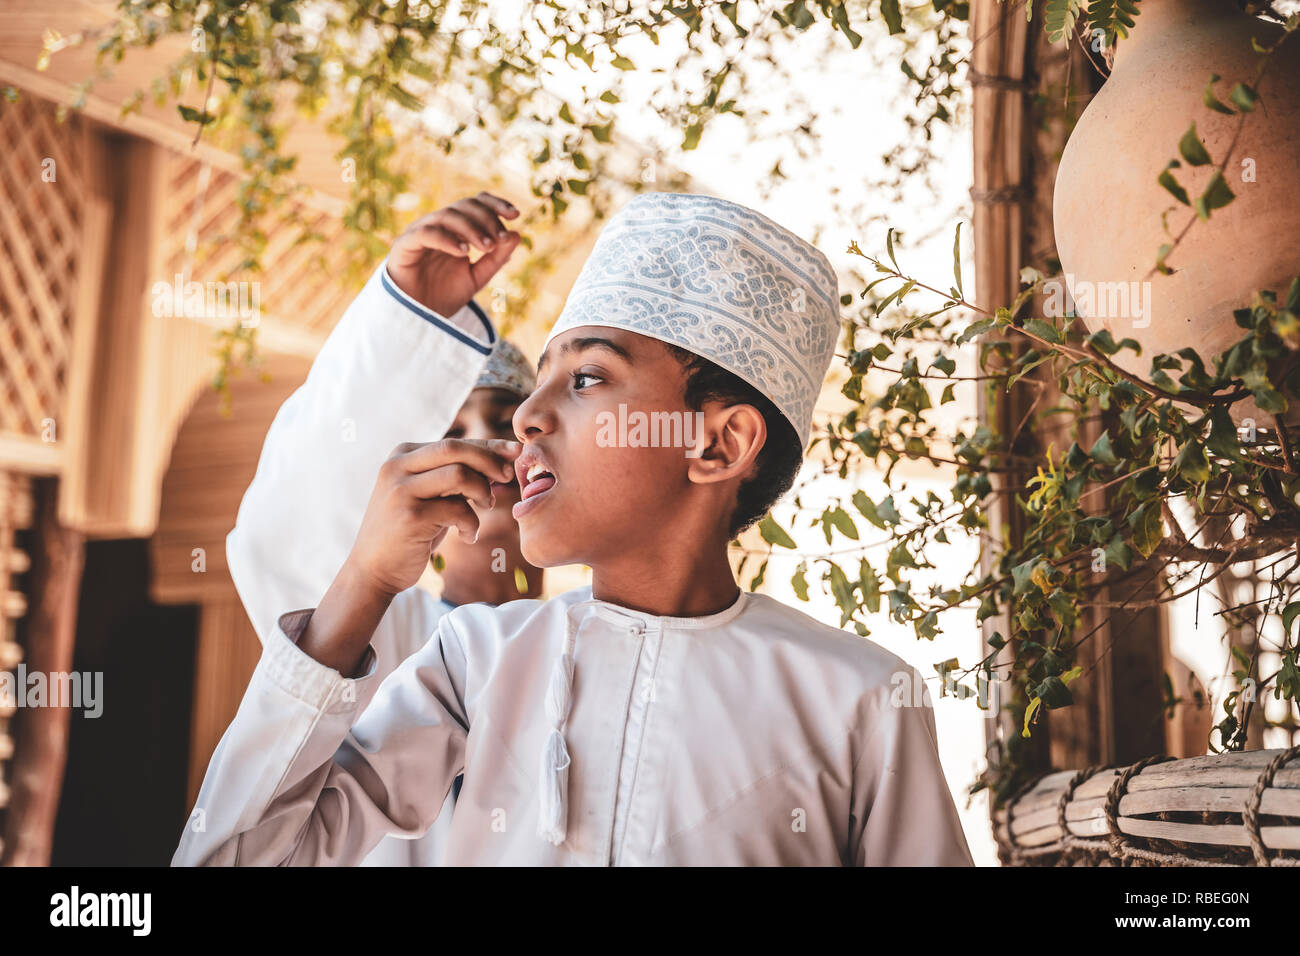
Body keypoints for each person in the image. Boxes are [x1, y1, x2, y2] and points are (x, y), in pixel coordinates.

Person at [175, 190, 975, 866]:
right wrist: (364, 581)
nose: (525, 417)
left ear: (718, 442)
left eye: (588, 378)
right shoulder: (471, 664)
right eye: (541, 382)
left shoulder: (858, 700)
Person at [219, 194, 541, 866]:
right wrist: (411, 321)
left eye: (505, 424)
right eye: (451, 434)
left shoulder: (590, 642)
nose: (481, 445)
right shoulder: (382, 633)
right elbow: (285, 530)